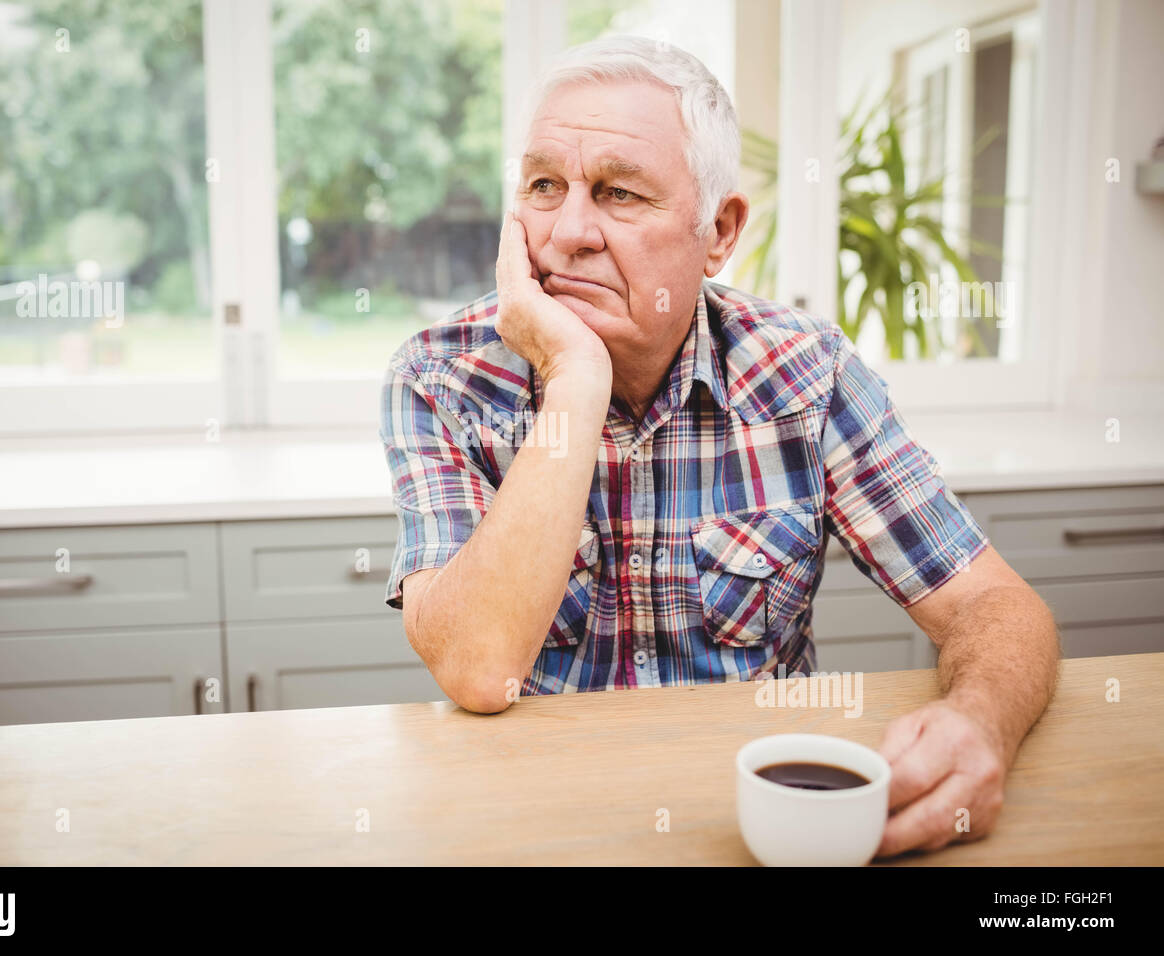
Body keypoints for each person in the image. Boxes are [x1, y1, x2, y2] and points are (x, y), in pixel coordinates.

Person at [378, 34, 1059, 858]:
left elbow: (996, 606)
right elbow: (478, 670)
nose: (568, 232)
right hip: (533, 822)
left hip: (758, 827)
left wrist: (980, 721)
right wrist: (576, 376)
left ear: (719, 231)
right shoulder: (441, 378)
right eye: (544, 186)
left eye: (620, 194)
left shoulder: (807, 376)